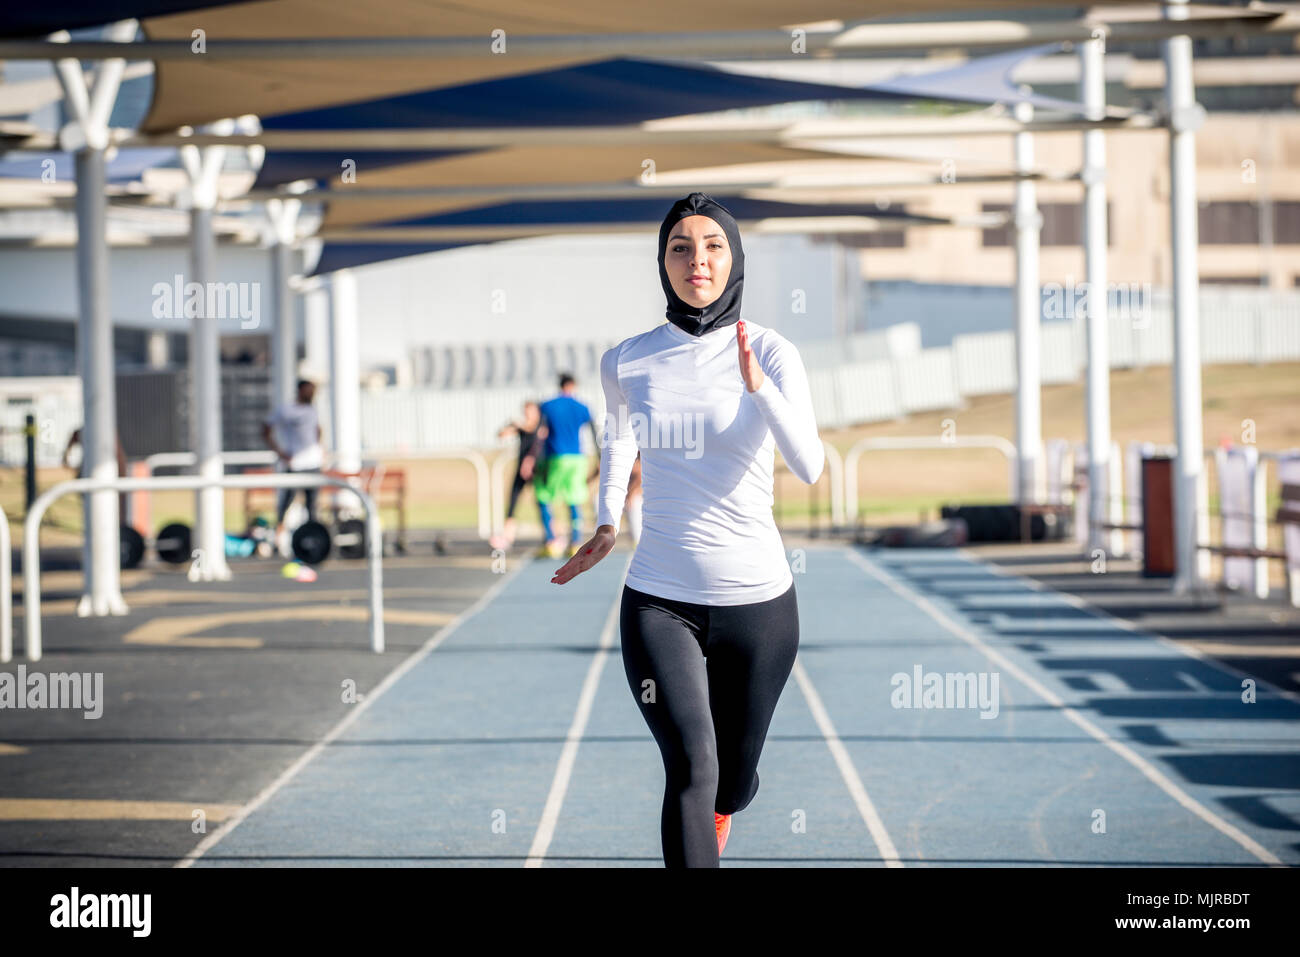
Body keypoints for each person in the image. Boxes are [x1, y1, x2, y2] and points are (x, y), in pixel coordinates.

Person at [551, 192, 824, 868]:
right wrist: (608, 518)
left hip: (760, 604)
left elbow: (811, 466)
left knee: (729, 781)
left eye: (711, 246)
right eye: (680, 247)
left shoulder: (773, 350)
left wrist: (759, 386)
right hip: (659, 598)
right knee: (691, 769)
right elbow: (619, 441)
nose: (695, 259)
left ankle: (733, 796)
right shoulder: (628, 359)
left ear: (734, 259)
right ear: (662, 261)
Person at [524, 373, 598, 560]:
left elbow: (540, 432)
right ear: (573, 385)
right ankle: (574, 543)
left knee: (542, 496)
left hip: (553, 458)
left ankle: (551, 541)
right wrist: (599, 456)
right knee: (574, 499)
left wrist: (531, 456)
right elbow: (593, 431)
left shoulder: (547, 406)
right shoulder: (583, 407)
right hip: (577, 459)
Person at [262, 378, 325, 555]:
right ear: (300, 390)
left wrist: (320, 450)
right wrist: (280, 452)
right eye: (309, 390)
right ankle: (277, 541)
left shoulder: (313, 411)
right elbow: (266, 429)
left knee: (312, 506)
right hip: (294, 464)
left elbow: (317, 431)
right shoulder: (286, 410)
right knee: (286, 504)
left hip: (313, 464)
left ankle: (314, 541)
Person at [490, 400, 544, 551]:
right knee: (513, 500)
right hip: (521, 468)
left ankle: (551, 535)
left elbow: (533, 431)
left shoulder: (541, 427)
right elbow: (501, 434)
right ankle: (507, 537)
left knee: (542, 501)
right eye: (525, 412)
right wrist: (511, 425)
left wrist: (531, 461)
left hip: (536, 468)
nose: (527, 415)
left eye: (530, 412)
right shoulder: (521, 427)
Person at [63, 425, 127, 524]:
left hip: (105, 478)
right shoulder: (86, 431)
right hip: (94, 477)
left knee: (107, 509)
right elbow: (66, 457)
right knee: (95, 509)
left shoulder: (107, 431)